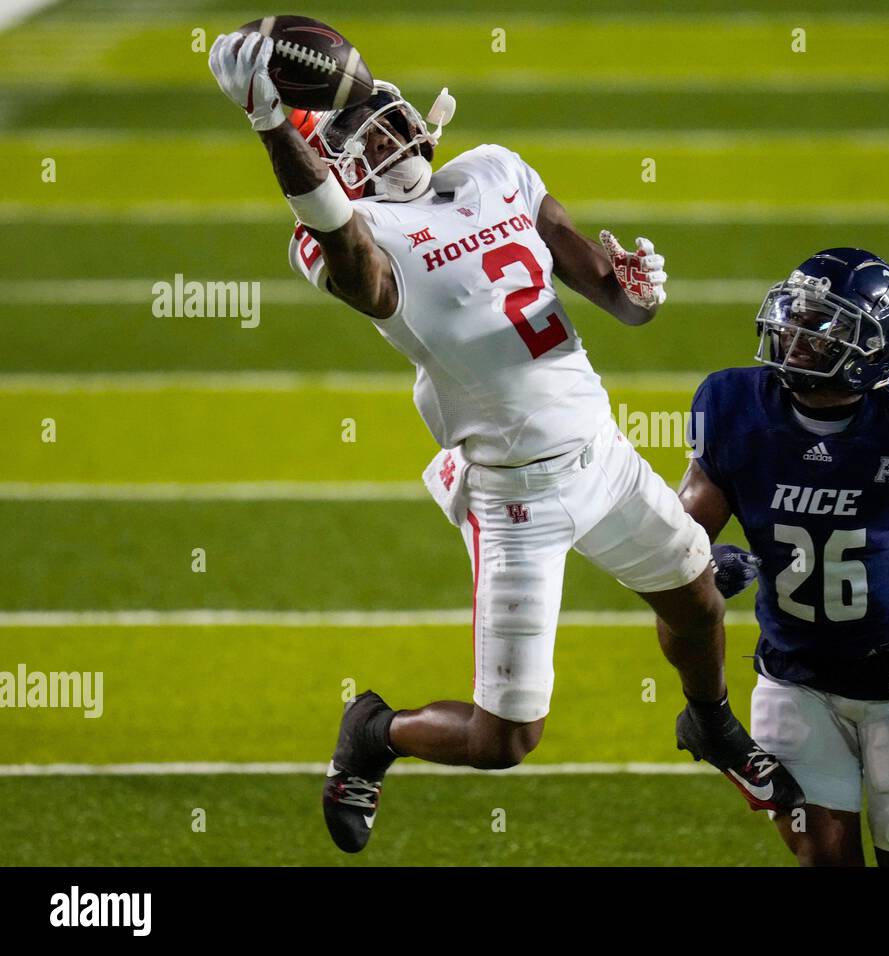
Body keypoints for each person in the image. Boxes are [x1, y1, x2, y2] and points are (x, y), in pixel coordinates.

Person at [207, 31, 803, 854]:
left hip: (601, 452)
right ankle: (375, 733)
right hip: (516, 493)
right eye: (360, 141)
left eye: (386, 122)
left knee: (698, 599)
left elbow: (608, 291)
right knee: (505, 740)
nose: (382, 137)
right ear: (335, 176)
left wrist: (634, 290)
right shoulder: (355, 233)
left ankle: (711, 725)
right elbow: (358, 268)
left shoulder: (495, 170)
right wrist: (273, 127)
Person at [678, 248, 889, 866]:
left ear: (873, 349)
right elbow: (677, 539)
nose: (795, 333)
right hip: (790, 674)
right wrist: (700, 565)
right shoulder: (734, 407)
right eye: (797, 313)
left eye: (826, 325)